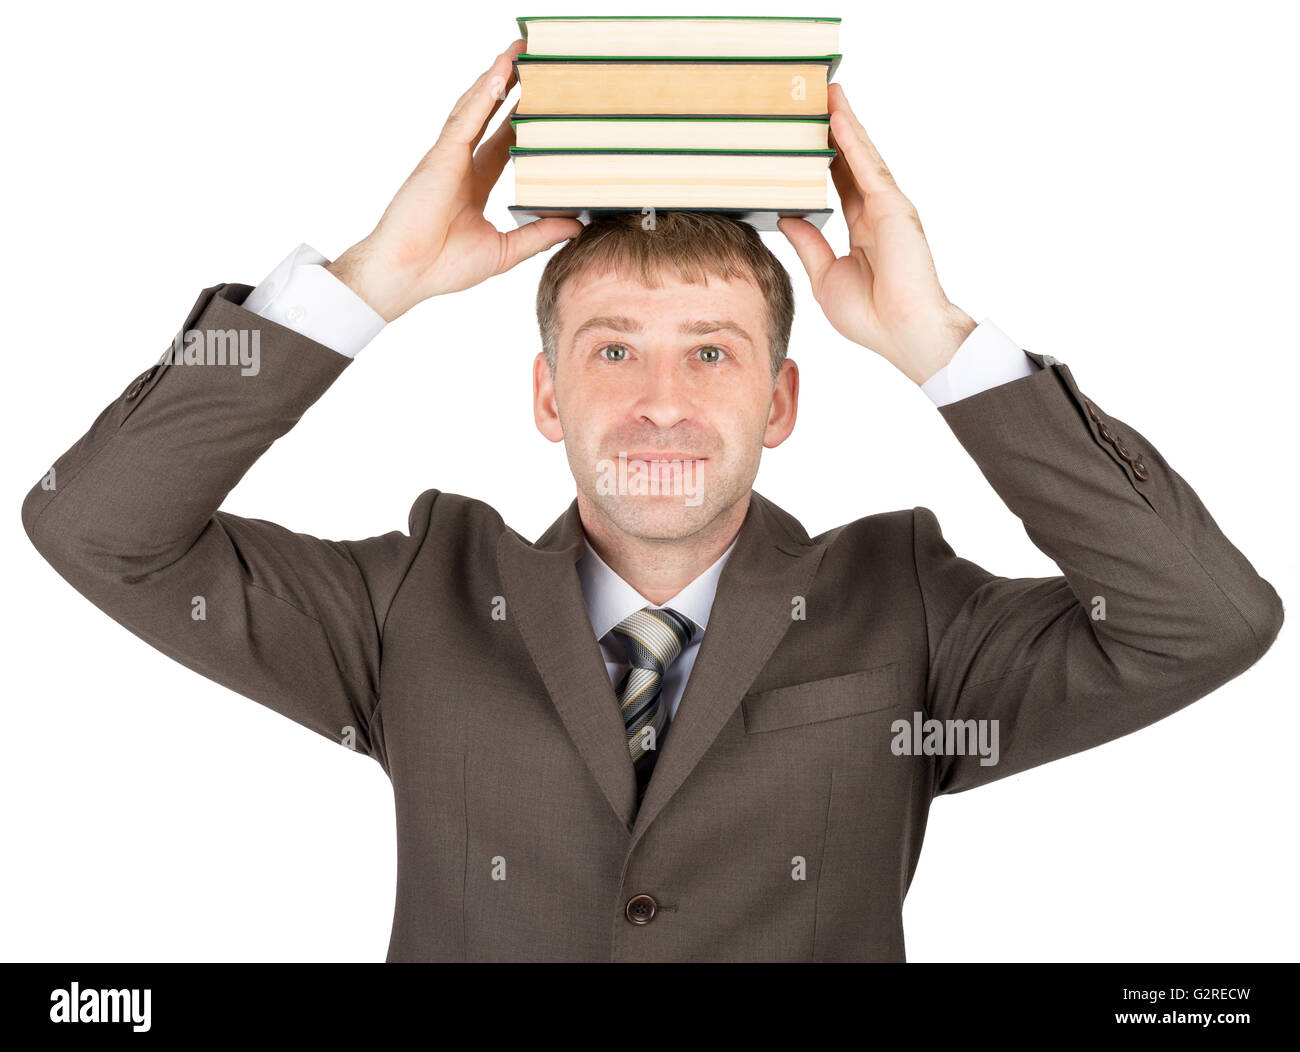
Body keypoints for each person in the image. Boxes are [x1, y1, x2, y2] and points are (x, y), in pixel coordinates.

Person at [21, 40, 1283, 962]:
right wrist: (367, 282)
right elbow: (99, 526)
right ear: (548, 396)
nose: (662, 401)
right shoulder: (415, 600)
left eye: (712, 352)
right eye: (613, 348)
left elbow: (1205, 622)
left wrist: (939, 343)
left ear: (781, 400)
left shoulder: (906, 607)